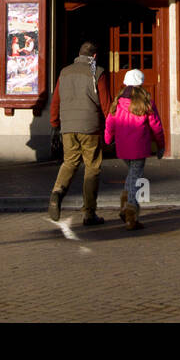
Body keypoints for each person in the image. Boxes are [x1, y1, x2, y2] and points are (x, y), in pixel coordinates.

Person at [47, 41, 111, 226]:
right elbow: (105, 101)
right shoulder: (97, 72)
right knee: (92, 167)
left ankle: (57, 192)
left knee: (69, 162)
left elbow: (56, 100)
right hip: (89, 126)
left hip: (68, 127)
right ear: (95, 56)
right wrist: (111, 125)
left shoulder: (65, 72)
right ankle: (89, 213)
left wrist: (55, 123)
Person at [104, 68, 165, 231]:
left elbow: (110, 123)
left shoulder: (118, 102)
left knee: (132, 176)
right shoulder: (146, 102)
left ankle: (125, 208)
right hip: (139, 147)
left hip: (122, 147)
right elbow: (156, 127)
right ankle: (131, 213)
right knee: (135, 179)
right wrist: (161, 145)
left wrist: (108, 140)